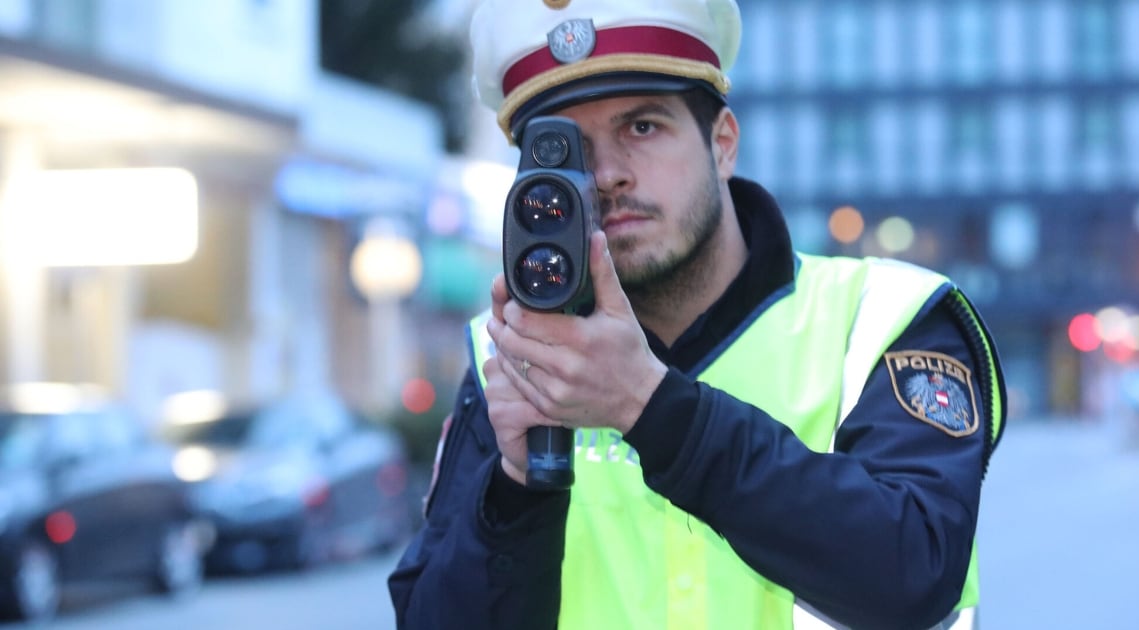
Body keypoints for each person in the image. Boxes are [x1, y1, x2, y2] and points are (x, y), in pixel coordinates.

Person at [388, 0, 1007, 628]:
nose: (604, 176)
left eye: (642, 128)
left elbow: (913, 577)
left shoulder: (880, 322)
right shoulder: (506, 355)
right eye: (566, 149)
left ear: (723, 143)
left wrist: (649, 408)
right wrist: (516, 492)